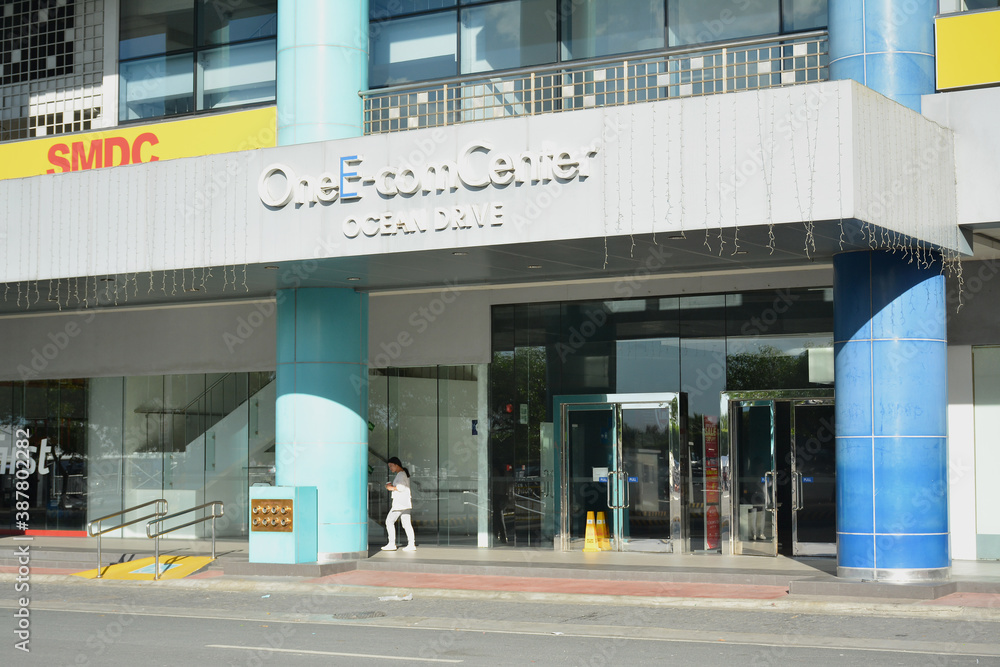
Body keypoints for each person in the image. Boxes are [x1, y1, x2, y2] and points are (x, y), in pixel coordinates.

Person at [384, 457, 416, 551]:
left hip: (400, 503)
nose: (390, 468)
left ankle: (391, 543)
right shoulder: (403, 473)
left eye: (391, 466)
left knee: (389, 521)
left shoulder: (401, 474)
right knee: (406, 524)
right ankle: (411, 544)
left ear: (396, 465)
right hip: (405, 503)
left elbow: (401, 488)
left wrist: (391, 488)